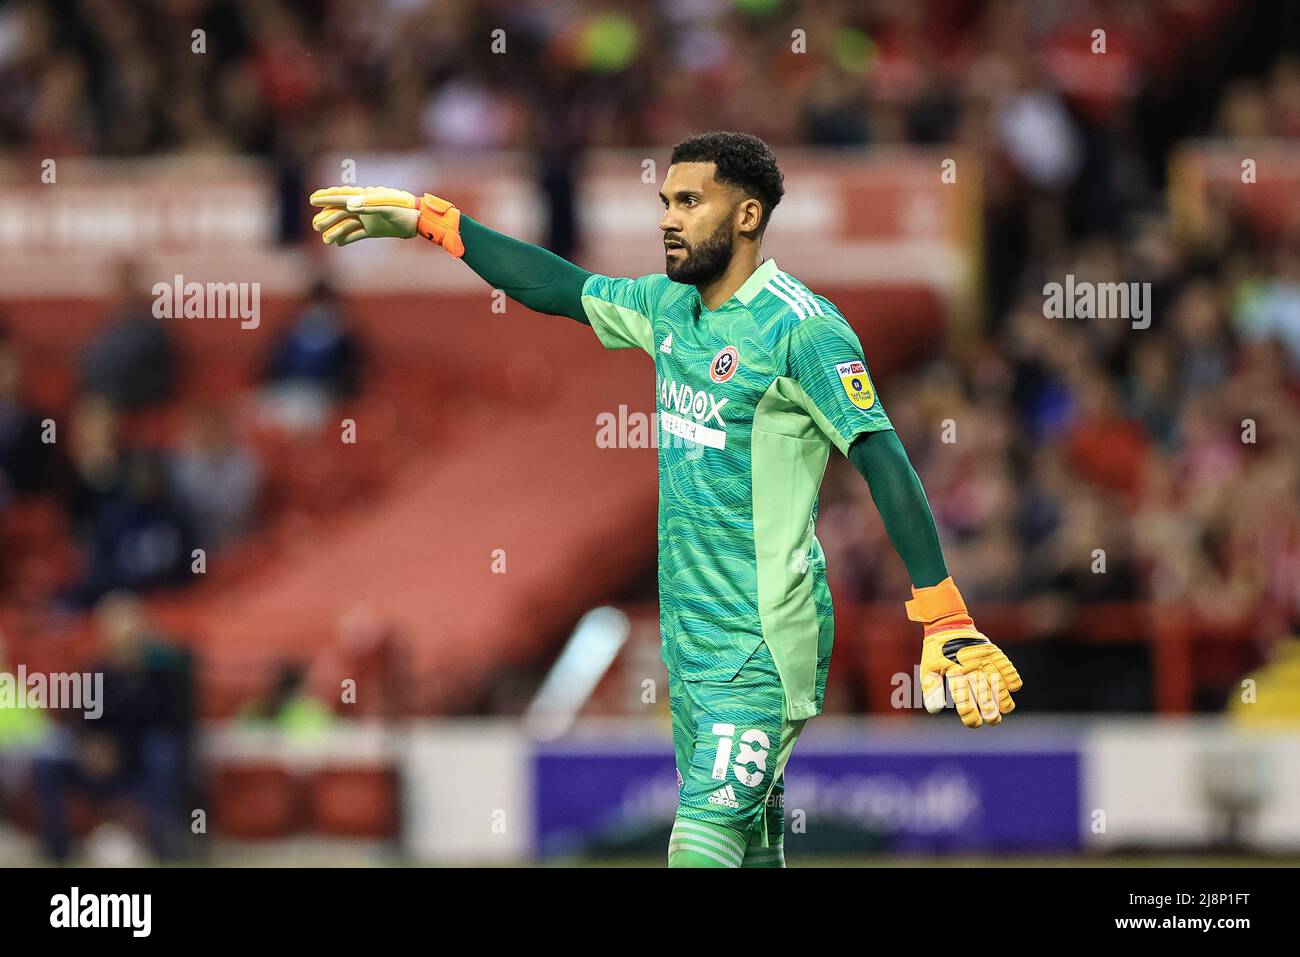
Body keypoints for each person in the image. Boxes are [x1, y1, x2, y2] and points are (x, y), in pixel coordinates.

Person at [307, 131, 1023, 869]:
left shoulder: (802, 329)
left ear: (747, 216)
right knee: (751, 850)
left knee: (699, 847)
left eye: (689, 201)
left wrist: (945, 612)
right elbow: (556, 287)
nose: (668, 219)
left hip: (763, 642)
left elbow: (884, 459)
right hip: (693, 647)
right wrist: (435, 221)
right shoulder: (668, 310)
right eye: (664, 202)